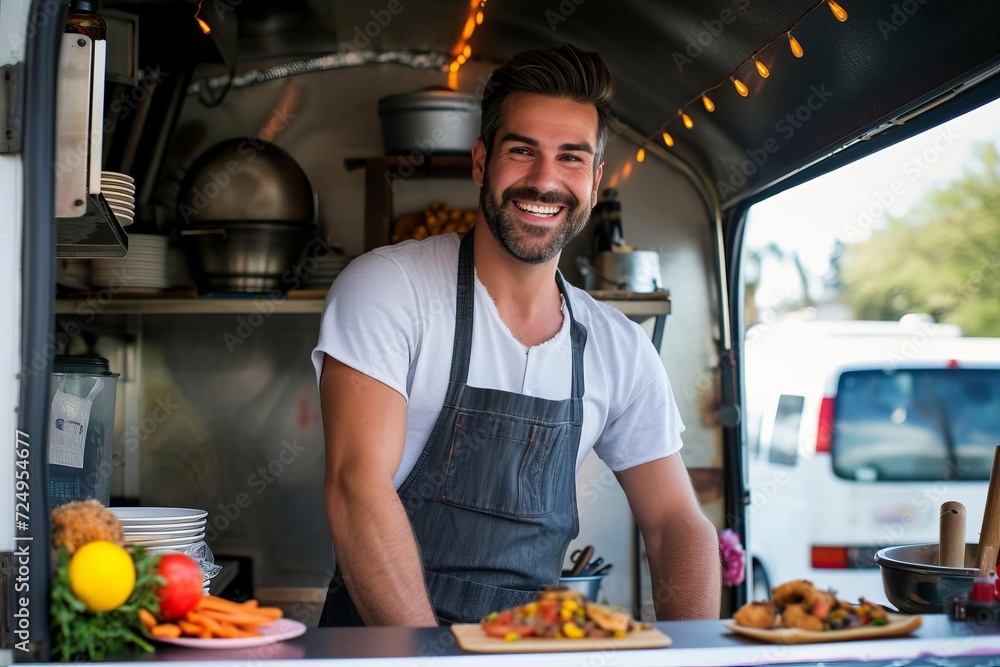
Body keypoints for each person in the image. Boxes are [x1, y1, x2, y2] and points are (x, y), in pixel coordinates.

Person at [312, 43, 720, 627]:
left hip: (531, 648)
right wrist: (431, 664)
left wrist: (694, 655)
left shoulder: (617, 347)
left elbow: (676, 523)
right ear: (481, 162)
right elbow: (356, 491)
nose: (544, 179)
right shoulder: (388, 289)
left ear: (596, 181)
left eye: (571, 158)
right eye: (522, 151)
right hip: (388, 651)